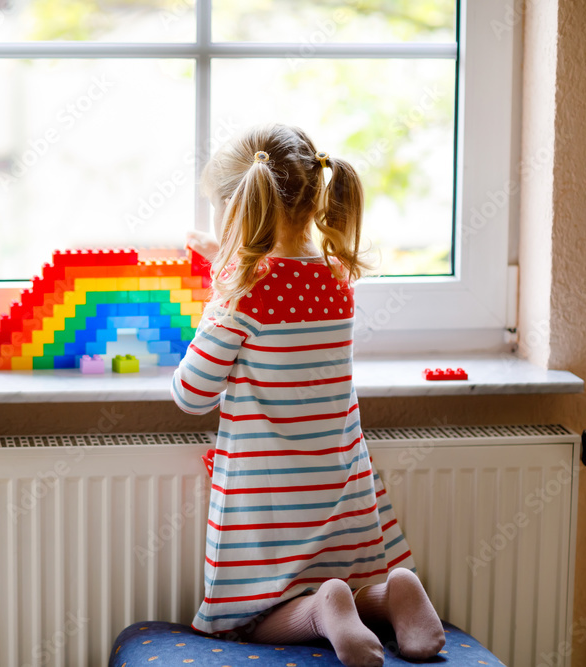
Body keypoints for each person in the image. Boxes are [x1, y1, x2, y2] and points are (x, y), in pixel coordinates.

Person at [171, 124, 445, 667]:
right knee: (346, 576)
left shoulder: (242, 295)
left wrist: (218, 292)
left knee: (248, 618)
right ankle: (390, 594)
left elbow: (192, 392)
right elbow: (282, 312)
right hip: (340, 480)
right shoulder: (336, 278)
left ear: (238, 209)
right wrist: (227, 271)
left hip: (269, 499)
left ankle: (322, 610)